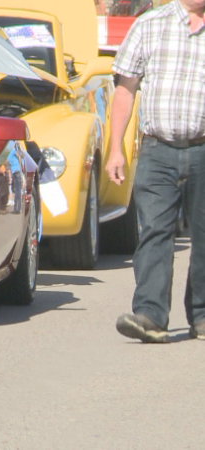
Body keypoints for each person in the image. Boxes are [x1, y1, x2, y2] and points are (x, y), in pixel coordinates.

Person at [108, 0, 205, 343]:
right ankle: (150, 314)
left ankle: (202, 314)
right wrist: (115, 148)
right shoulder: (149, 25)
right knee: (154, 231)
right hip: (157, 148)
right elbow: (125, 90)